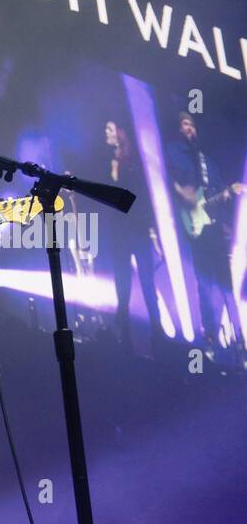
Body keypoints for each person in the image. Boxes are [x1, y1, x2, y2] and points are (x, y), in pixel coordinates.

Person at [166, 111, 245, 364]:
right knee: (204, 288)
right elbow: (166, 178)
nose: (190, 128)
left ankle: (240, 343)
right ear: (179, 130)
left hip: (213, 229)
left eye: (192, 124)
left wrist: (229, 193)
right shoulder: (174, 153)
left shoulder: (207, 161)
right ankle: (209, 341)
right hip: (195, 231)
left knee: (226, 287)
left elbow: (218, 191)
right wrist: (182, 193)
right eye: (185, 124)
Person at [101, 119, 162, 354]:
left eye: (110, 128)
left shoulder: (133, 160)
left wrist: (151, 230)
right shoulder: (107, 160)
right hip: (119, 230)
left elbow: (141, 195)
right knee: (122, 281)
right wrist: (113, 168)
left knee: (147, 280)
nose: (106, 132)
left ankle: (157, 331)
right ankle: (124, 332)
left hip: (137, 228)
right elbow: (110, 192)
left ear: (120, 132)